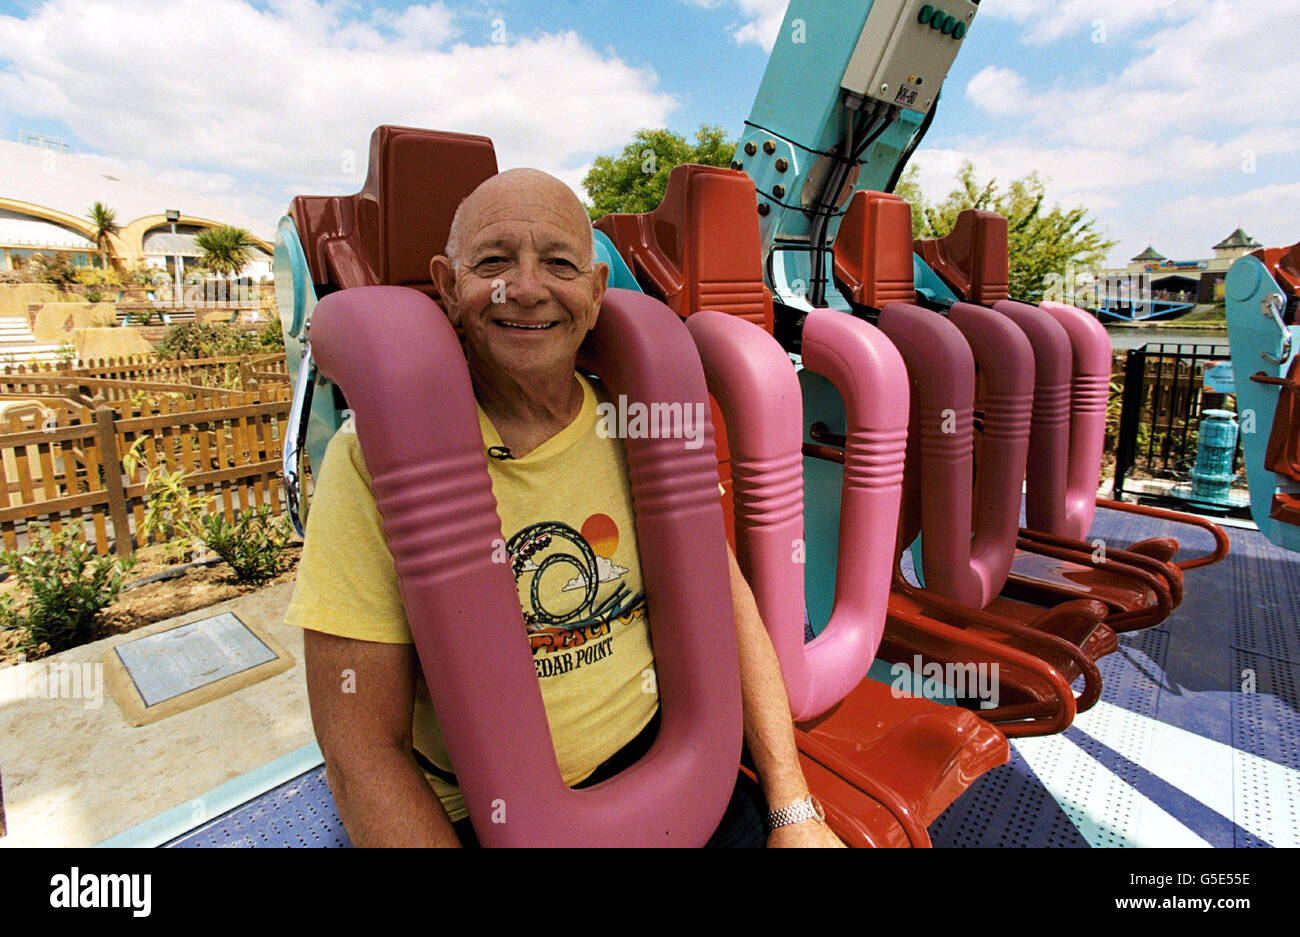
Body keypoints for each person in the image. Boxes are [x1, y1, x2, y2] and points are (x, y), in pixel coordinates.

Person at [286, 168, 843, 848]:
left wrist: (792, 804)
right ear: (447, 286)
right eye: (493, 261)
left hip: (683, 778)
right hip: (489, 817)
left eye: (558, 263)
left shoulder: (638, 424)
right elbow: (360, 746)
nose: (526, 288)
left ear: (596, 289)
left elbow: (727, 609)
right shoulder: (370, 461)